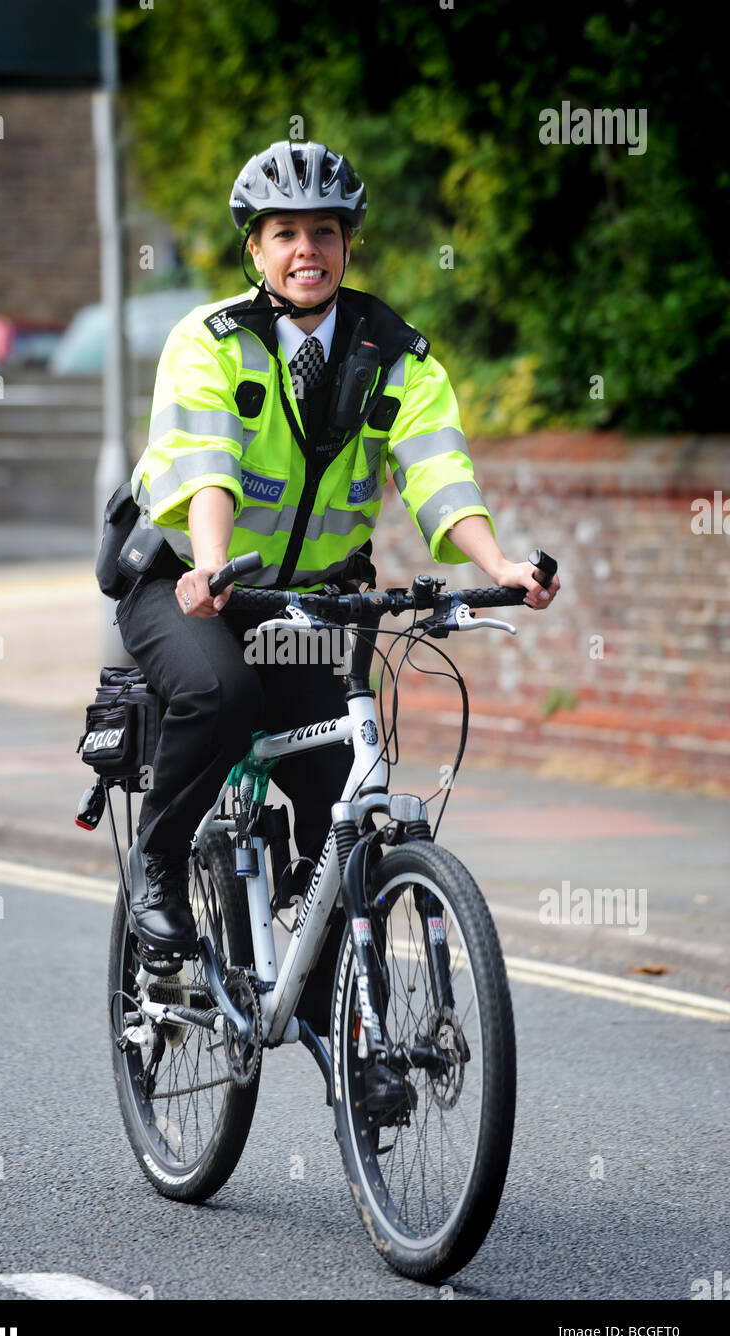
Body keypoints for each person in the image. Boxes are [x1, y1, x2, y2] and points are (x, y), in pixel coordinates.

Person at [118, 140, 559, 1020]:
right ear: (255, 249)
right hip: (188, 584)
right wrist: (211, 562)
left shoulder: (396, 353)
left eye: (324, 231)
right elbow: (207, 462)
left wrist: (499, 566)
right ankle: (158, 868)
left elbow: (436, 472)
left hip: (317, 599)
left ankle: (342, 1028)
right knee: (218, 692)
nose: (305, 251)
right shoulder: (211, 342)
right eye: (284, 233)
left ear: (348, 242)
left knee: (342, 799)